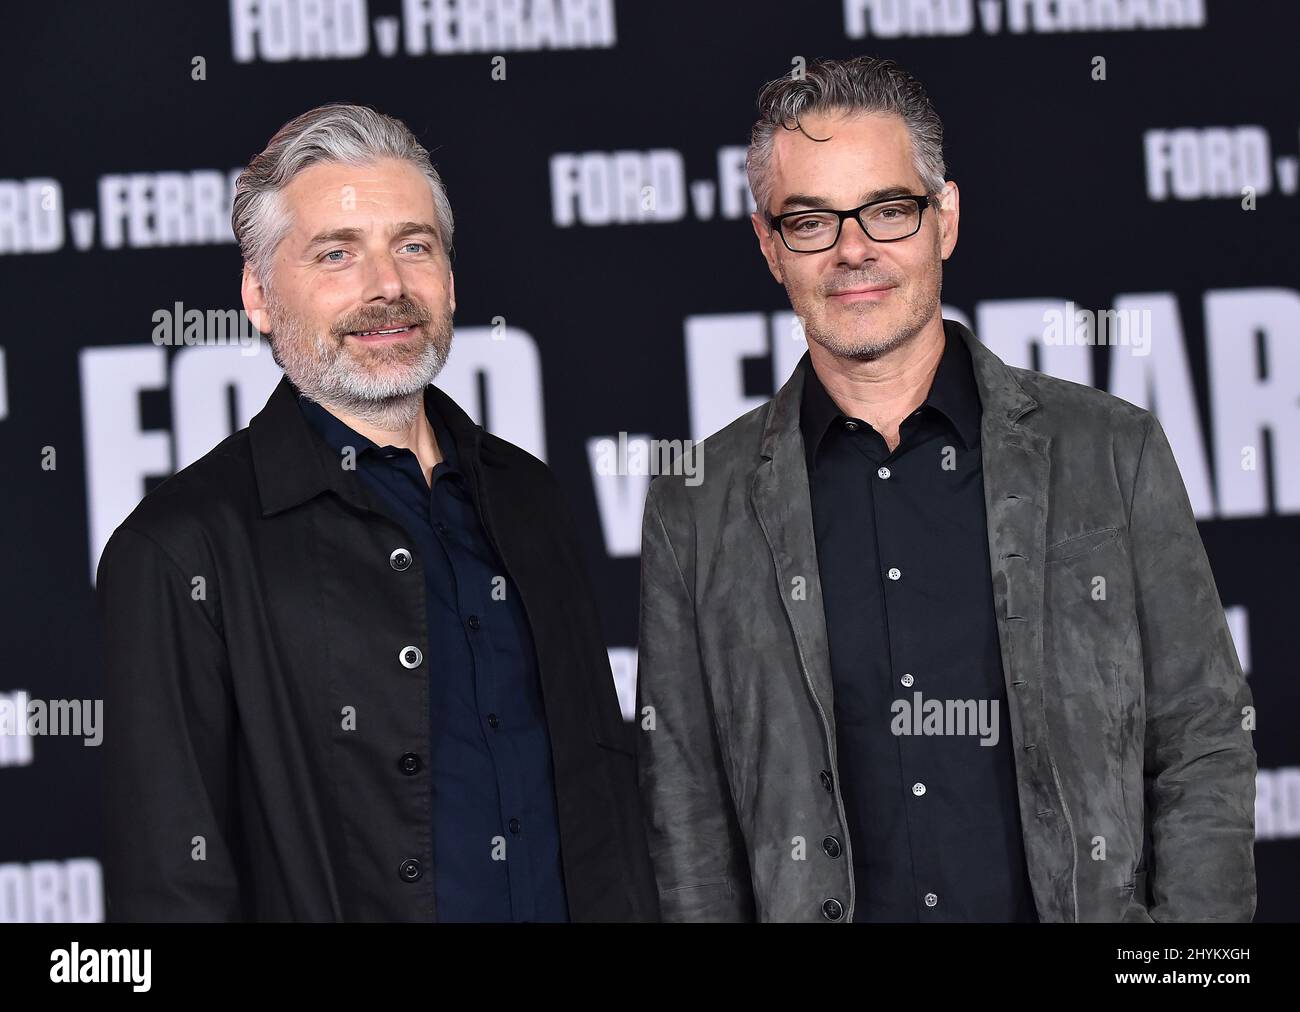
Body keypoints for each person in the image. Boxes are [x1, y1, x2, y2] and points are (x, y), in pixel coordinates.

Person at [635, 57, 1256, 922]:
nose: (855, 250)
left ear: (945, 220)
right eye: (810, 221)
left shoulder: (1108, 450)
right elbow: (686, 816)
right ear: (769, 246)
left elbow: (1202, 738)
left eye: (888, 210)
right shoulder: (697, 505)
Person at [97, 103, 657, 922]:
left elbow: (603, 807)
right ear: (258, 296)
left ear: (452, 279)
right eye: (337, 254)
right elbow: (172, 891)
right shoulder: (180, 551)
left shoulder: (529, 499)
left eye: (414, 246)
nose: (387, 285)